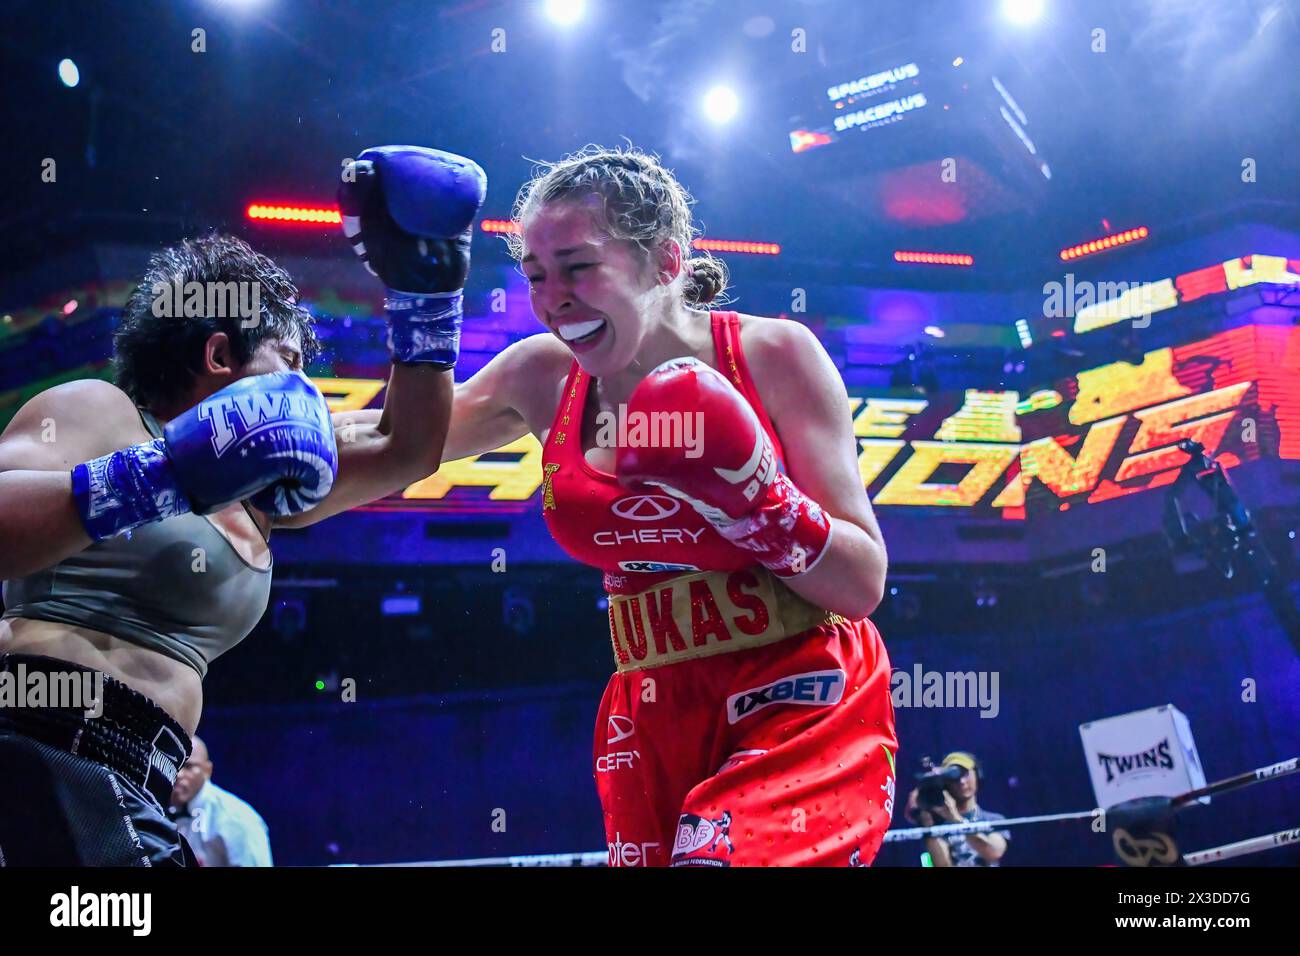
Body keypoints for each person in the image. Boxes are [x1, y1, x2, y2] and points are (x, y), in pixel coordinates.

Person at [0, 145, 485, 865]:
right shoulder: (102, 415)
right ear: (222, 354)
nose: (305, 388)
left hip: (138, 778)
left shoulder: (263, 490)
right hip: (44, 744)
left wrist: (426, 294)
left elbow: (406, 448)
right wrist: (161, 473)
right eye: (290, 362)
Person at [438, 145, 897, 866]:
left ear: (667, 262)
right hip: (648, 709)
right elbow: (393, 445)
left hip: (800, 687)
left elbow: (863, 583)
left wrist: (759, 502)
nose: (553, 296)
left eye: (579, 267)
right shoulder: (540, 375)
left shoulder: (774, 354)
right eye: (536, 275)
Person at [169, 736, 272, 867]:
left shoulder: (236, 818)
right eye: (173, 765)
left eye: (188, 766)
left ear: (207, 771)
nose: (178, 774)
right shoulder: (160, 809)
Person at [903, 751, 1009, 867]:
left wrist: (957, 820)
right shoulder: (938, 825)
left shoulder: (993, 819)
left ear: (977, 774)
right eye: (953, 778)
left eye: (965, 774)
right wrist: (927, 826)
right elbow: (942, 865)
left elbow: (993, 852)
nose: (962, 782)